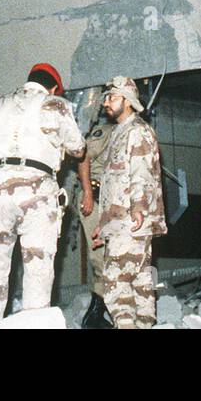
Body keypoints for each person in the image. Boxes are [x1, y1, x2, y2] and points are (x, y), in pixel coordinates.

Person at [0, 62, 85, 327]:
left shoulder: (0, 103)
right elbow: (78, 148)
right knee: (37, 265)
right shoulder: (55, 104)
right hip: (36, 186)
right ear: (55, 87)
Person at [90, 77, 167, 329]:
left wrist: (138, 207)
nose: (105, 103)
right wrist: (103, 225)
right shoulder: (119, 133)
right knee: (139, 281)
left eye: (112, 97)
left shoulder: (137, 131)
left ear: (128, 100)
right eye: (106, 98)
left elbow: (141, 173)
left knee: (115, 280)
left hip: (130, 220)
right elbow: (112, 185)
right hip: (120, 221)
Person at [76, 86, 115, 328]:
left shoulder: (127, 133)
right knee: (100, 258)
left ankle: (102, 313)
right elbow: (84, 156)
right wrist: (89, 194)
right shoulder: (106, 131)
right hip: (96, 198)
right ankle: (94, 316)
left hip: (113, 202)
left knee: (114, 259)